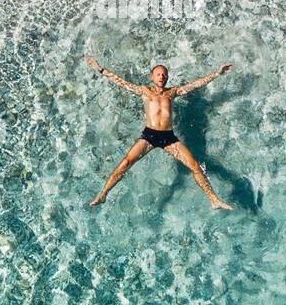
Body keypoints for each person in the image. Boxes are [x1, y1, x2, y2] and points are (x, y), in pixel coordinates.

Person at [86, 57, 233, 210]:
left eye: (164, 74)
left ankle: (214, 200)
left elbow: (195, 85)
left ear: (167, 77)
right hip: (149, 136)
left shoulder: (172, 92)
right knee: (126, 163)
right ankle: (103, 194)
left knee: (195, 166)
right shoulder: (145, 91)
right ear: (152, 77)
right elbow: (121, 82)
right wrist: (101, 69)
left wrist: (217, 73)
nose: (161, 76)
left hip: (169, 138)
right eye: (158, 74)